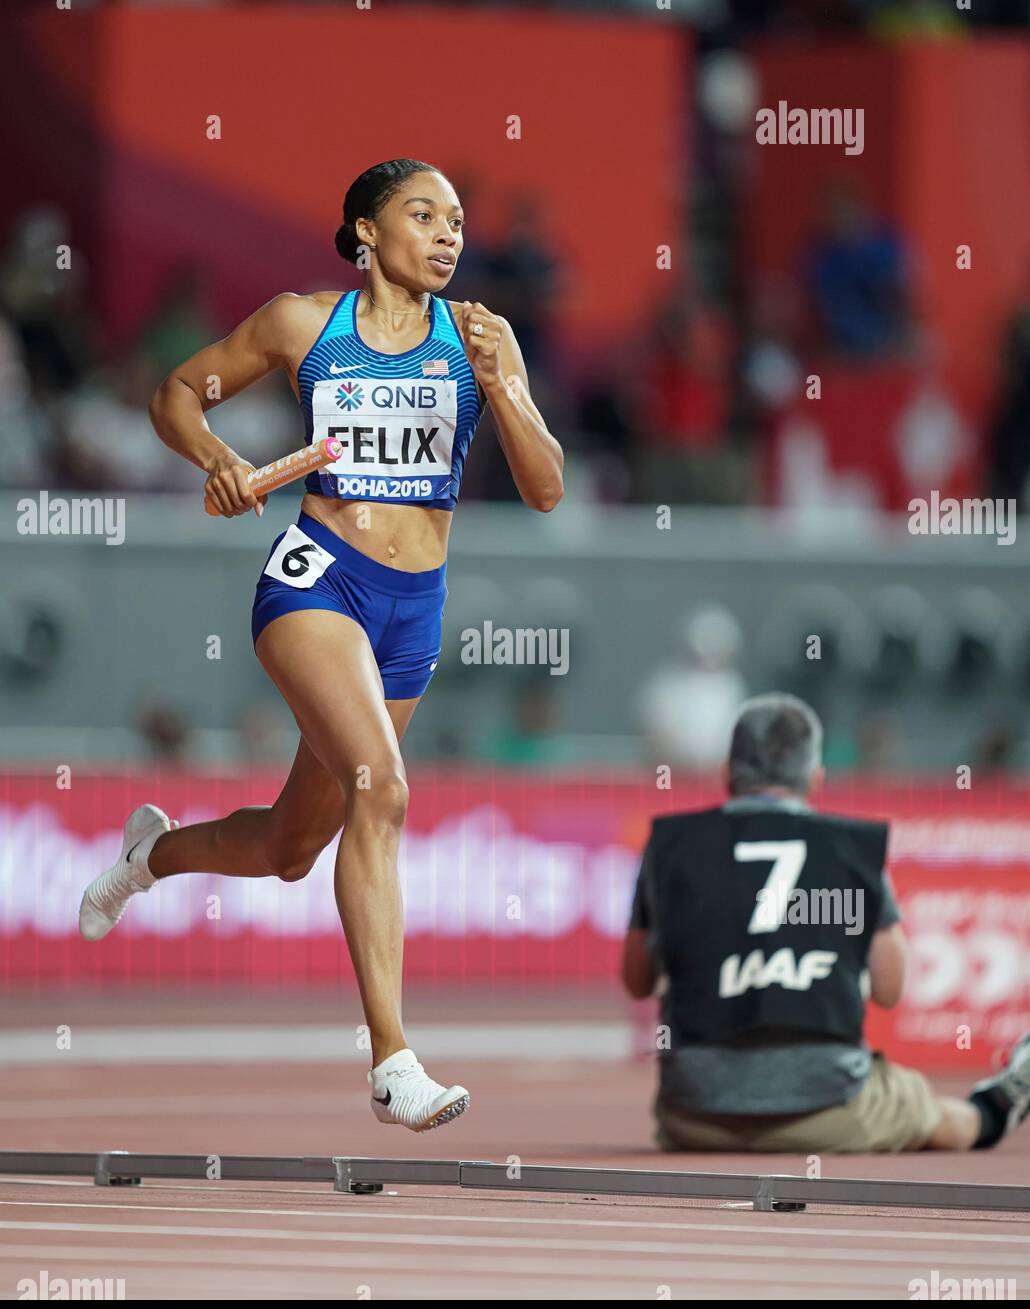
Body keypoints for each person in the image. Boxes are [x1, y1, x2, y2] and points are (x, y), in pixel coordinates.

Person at [77, 159, 564, 1132]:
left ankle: (150, 854)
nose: (447, 235)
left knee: (295, 844)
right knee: (380, 789)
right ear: (363, 233)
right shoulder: (305, 324)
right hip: (317, 578)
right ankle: (392, 1062)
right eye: (422, 215)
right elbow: (176, 393)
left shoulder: (480, 336)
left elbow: (547, 487)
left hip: (412, 608)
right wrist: (218, 464)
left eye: (457, 221)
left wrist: (502, 385)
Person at [622, 692, 1030, 1153]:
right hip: (828, 1110)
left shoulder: (669, 849)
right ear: (815, 779)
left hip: (692, 1117)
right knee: (940, 1117)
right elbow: (890, 988)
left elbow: (636, 980)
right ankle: (997, 1106)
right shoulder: (851, 852)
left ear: (725, 774)